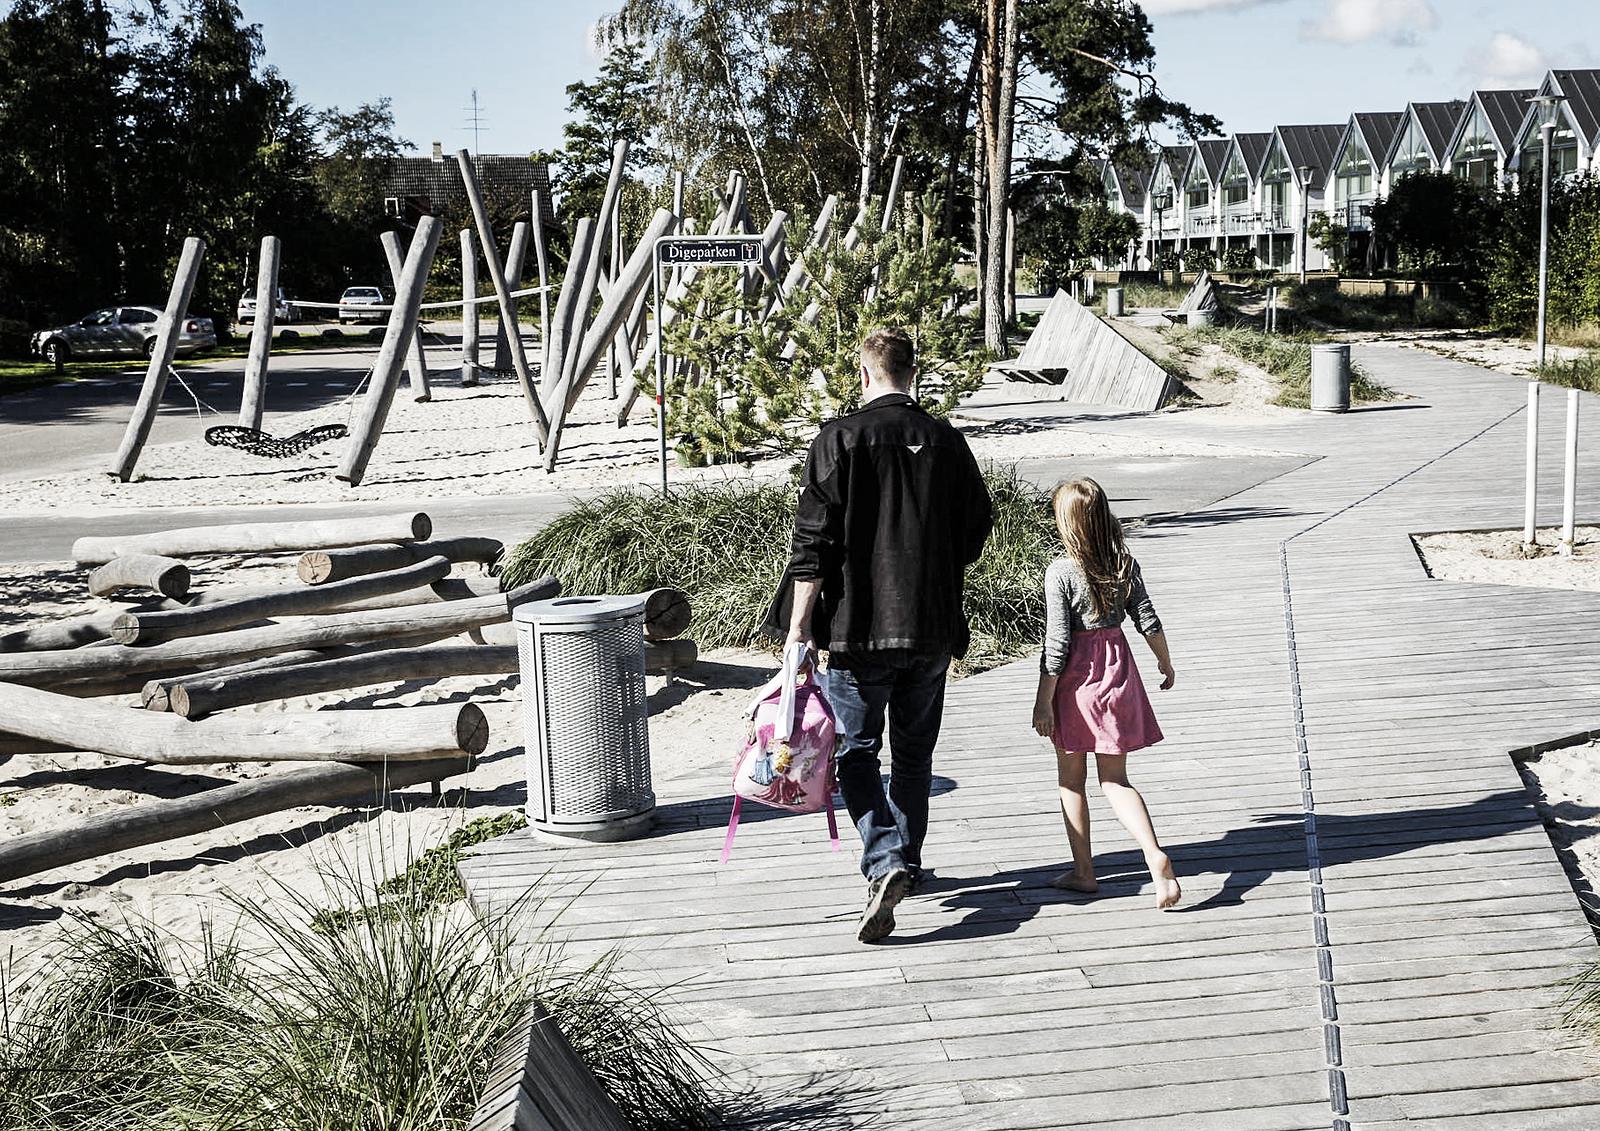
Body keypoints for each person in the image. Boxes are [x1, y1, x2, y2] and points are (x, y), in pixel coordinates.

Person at [767, 326, 993, 944]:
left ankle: (886, 859)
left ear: (863, 374)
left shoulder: (837, 439)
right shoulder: (946, 440)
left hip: (856, 629)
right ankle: (905, 859)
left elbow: (812, 547)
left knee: (854, 754)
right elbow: (976, 529)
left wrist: (796, 632)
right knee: (914, 755)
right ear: (911, 372)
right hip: (932, 625)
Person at [1031, 478, 1181, 910]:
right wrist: (1165, 663)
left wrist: (1044, 700)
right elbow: (1147, 618)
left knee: (1071, 781)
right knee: (1115, 779)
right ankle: (1154, 856)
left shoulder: (1061, 571)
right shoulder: (1123, 563)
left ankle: (1084, 872)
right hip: (1119, 674)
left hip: (1077, 685)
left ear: (1067, 523)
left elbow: (1057, 644)